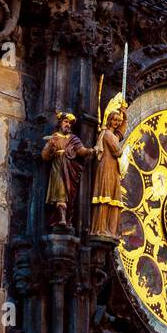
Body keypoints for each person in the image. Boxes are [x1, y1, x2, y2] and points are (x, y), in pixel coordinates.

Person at [41, 112, 93, 230]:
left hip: (70, 170)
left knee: (70, 195)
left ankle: (67, 218)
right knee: (61, 194)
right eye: (66, 122)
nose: (68, 125)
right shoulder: (54, 138)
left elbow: (81, 150)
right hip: (58, 169)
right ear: (60, 123)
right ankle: (62, 219)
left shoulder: (73, 139)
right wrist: (50, 145)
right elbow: (44, 156)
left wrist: (90, 151)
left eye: (69, 123)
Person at [90, 97, 127, 238]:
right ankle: (101, 228)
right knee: (105, 197)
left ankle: (110, 229)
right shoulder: (107, 135)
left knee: (112, 198)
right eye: (115, 120)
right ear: (109, 120)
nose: (117, 123)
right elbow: (118, 151)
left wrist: (125, 116)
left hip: (111, 169)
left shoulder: (112, 134)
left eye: (119, 120)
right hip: (107, 168)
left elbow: (121, 133)